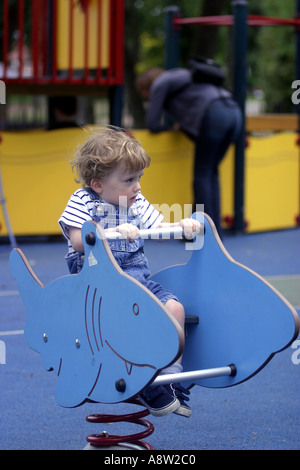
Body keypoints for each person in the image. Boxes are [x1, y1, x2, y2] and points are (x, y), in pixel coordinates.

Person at [59, 127, 201, 418]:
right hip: (99, 286)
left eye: (139, 178)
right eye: (128, 180)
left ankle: (171, 379)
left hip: (137, 280)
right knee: (131, 324)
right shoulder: (84, 201)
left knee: (174, 308)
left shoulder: (136, 203)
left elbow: (158, 228)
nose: (137, 186)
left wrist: (183, 227)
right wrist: (109, 232)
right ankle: (146, 381)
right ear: (98, 184)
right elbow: (77, 240)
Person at [136, 67, 242, 236]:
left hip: (214, 114)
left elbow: (152, 124)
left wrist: (169, 129)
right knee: (211, 172)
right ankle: (216, 230)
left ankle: (204, 231)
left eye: (143, 92)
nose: (145, 97)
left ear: (146, 86)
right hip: (234, 112)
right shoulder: (182, 77)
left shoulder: (159, 84)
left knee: (202, 174)